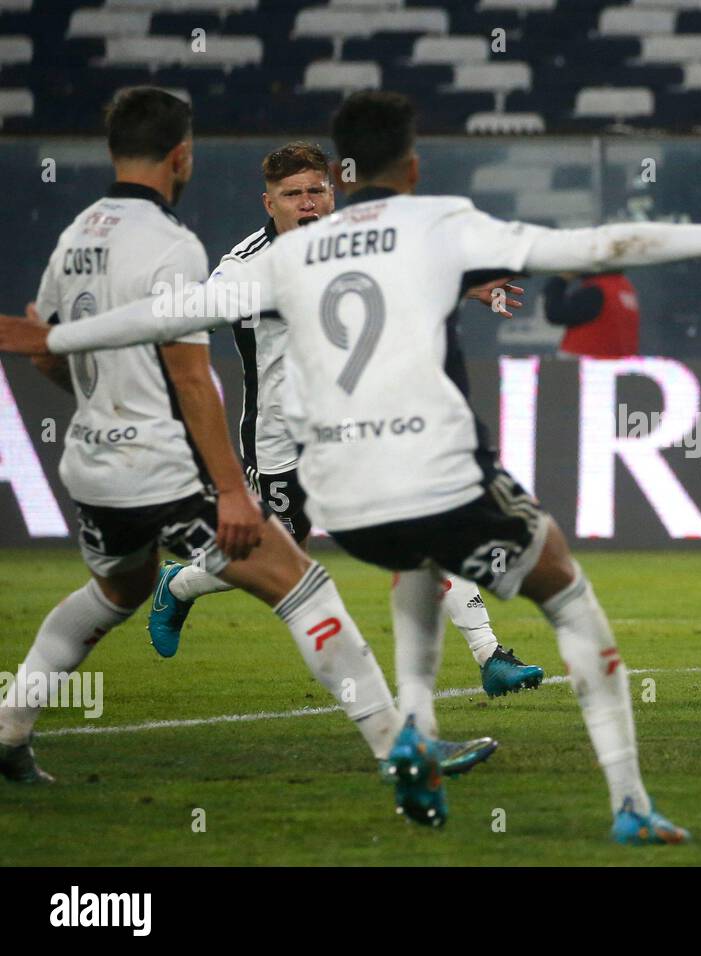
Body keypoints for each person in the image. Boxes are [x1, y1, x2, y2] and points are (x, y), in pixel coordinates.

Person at [0, 89, 701, 839]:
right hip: (417, 465)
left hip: (347, 492)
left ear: (340, 175)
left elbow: (169, 314)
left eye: (316, 186)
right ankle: (629, 803)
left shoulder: (285, 260)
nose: (306, 199)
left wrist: (54, 337)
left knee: (412, 559)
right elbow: (594, 241)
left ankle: (416, 726)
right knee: (568, 594)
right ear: (415, 163)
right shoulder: (439, 222)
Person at [0, 89, 494, 794]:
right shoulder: (175, 247)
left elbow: (48, 350)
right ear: (183, 157)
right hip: (160, 468)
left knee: (117, 589)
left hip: (93, 461)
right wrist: (231, 490)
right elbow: (193, 379)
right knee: (307, 587)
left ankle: (10, 730)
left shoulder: (78, 234)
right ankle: (402, 751)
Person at [149, 140, 545, 700]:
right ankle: (182, 583)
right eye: (293, 195)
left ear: (332, 193)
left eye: (317, 190)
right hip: (282, 438)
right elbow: (188, 318)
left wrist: (472, 285)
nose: (308, 203)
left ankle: (491, 656)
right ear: (270, 204)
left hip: (361, 425)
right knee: (279, 556)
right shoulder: (242, 270)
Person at [543, 271, 639, 357]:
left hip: (585, 366)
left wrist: (560, 280)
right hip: (615, 364)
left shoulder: (598, 290)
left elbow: (555, 313)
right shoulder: (624, 287)